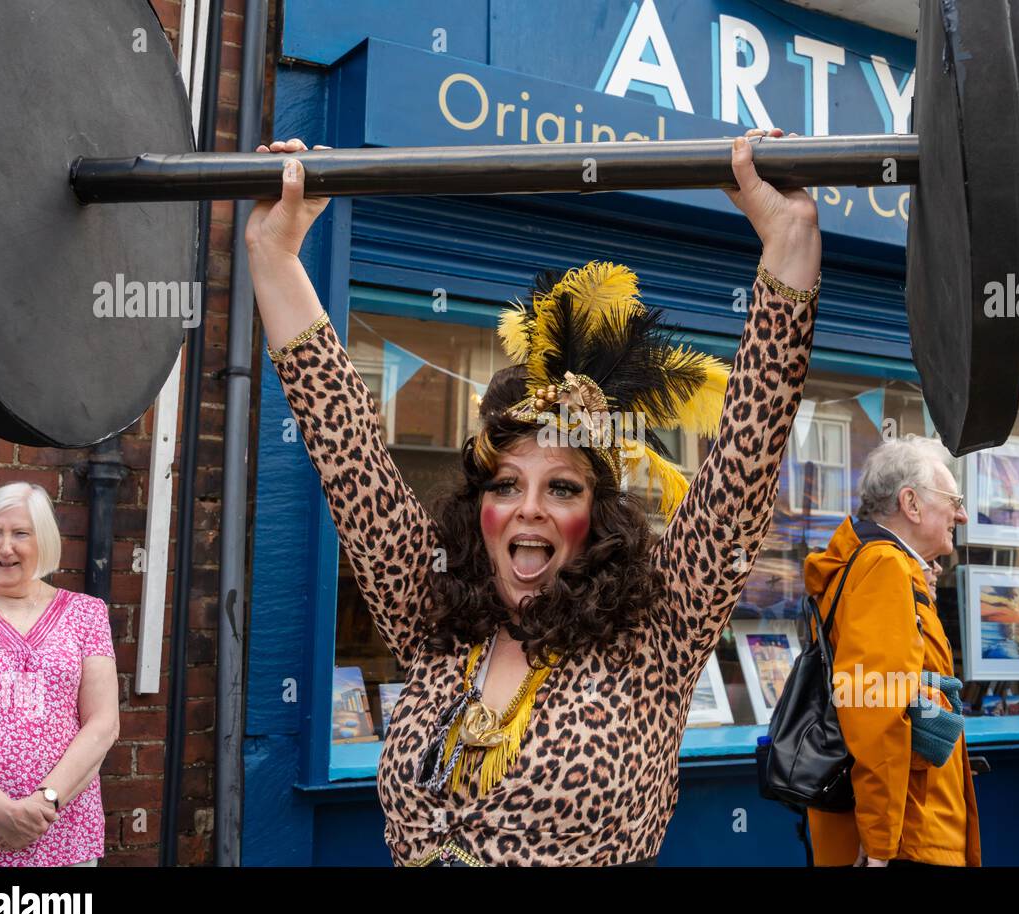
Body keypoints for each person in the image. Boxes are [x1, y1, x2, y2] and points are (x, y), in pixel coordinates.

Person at [245, 129, 822, 865]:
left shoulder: (657, 633)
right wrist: (274, 253)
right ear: (479, 505)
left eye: (562, 488)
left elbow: (745, 461)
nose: (529, 509)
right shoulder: (435, 623)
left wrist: (790, 237)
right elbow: (347, 450)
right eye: (507, 484)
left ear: (597, 517)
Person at [802, 436, 980, 867]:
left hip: (909, 828)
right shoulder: (885, 567)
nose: (962, 513)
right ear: (911, 504)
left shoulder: (878, 564)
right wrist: (880, 847)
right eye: (953, 499)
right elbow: (875, 710)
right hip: (907, 838)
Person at [0, 482, 119, 866]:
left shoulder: (86, 615)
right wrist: (1, 811)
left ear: (45, 540)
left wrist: (43, 803)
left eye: (20, 533)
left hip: (63, 829)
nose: (6, 547)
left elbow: (103, 724)